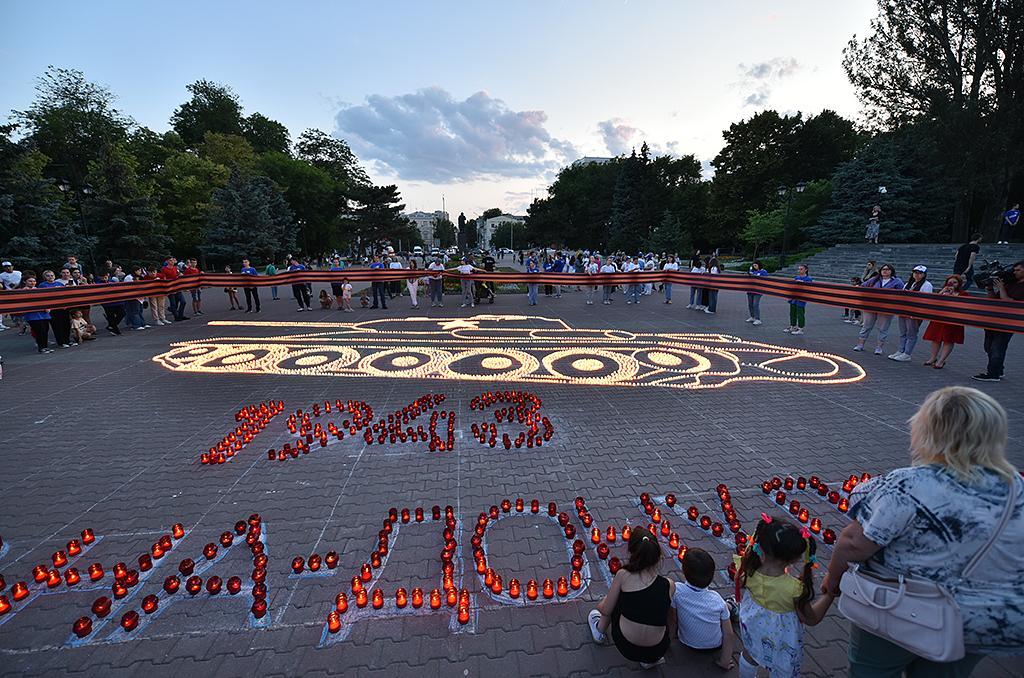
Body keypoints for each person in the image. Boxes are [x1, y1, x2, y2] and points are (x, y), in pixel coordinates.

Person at [823, 386, 1024, 677]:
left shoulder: (907, 486)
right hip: (979, 621)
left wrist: (834, 578)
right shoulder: (1017, 490)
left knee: (873, 670)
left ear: (928, 431)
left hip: (898, 610)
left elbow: (854, 544)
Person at [735, 515, 835, 678]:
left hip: (753, 627)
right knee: (782, 668)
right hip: (781, 640)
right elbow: (811, 618)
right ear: (795, 559)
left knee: (750, 655)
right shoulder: (794, 589)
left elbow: (738, 584)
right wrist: (830, 595)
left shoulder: (748, 571)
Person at [587, 529, 672, 669]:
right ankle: (649, 662)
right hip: (657, 651)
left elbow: (606, 610)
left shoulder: (623, 575)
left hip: (627, 647)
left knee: (616, 599)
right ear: (658, 557)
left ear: (631, 552)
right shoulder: (669, 584)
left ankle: (599, 631)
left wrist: (602, 603)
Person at [669, 548, 736, 670]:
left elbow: (673, 619)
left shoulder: (677, 591)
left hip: (686, 642)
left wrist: (670, 639)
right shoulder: (716, 599)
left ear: (684, 571)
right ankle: (732, 606)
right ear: (711, 577)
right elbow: (729, 633)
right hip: (715, 646)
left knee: (721, 608)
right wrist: (725, 661)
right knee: (725, 607)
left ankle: (730, 606)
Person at [973, 260, 1024, 382]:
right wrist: (990, 288)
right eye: (1014, 270)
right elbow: (993, 299)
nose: (1015, 272)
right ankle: (998, 370)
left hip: (1008, 321)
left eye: (1018, 270)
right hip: (993, 320)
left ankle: (993, 374)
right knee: (989, 347)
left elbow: (1009, 302)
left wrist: (1001, 288)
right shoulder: (1010, 283)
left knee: (997, 347)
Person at [919, 274, 968, 370]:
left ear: (959, 284)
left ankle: (941, 361)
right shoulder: (943, 292)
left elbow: (964, 306)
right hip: (939, 318)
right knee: (935, 338)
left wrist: (954, 295)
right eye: (950, 282)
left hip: (953, 320)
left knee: (948, 339)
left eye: (955, 282)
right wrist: (942, 292)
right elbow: (934, 302)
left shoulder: (963, 294)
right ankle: (933, 358)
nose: (952, 284)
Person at [854, 264, 904, 354]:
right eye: (883, 269)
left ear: (891, 271)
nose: (885, 271)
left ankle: (879, 348)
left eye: (888, 269)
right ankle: (860, 345)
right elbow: (863, 286)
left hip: (886, 309)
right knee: (866, 326)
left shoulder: (897, 281)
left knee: (883, 328)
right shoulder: (875, 279)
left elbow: (901, 294)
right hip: (871, 306)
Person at [890, 265, 935, 361]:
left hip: (915, 313)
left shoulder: (927, 285)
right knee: (903, 332)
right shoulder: (909, 284)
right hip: (904, 311)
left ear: (924, 275)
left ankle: (907, 353)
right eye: (915, 272)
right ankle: (901, 350)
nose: (917, 275)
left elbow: (926, 300)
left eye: (919, 273)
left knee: (911, 333)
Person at [37, 269, 73, 348]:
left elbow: (65, 294)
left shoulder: (59, 283)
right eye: (48, 276)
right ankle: (61, 342)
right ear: (45, 277)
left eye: (52, 275)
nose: (50, 277)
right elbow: (42, 297)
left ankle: (67, 340)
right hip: (53, 309)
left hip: (63, 307)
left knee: (66, 324)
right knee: (57, 326)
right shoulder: (42, 285)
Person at [21, 275, 54, 354]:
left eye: (34, 281)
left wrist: (47, 306)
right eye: (30, 281)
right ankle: (41, 347)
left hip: (43, 313)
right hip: (32, 315)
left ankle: (45, 347)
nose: (32, 283)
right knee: (40, 331)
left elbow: (44, 299)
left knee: (45, 330)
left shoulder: (38, 289)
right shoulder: (22, 291)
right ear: (24, 282)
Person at [783, 264, 813, 335]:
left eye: (801, 269)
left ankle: (800, 328)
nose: (799, 270)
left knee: (800, 313)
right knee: (792, 312)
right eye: (799, 269)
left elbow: (809, 288)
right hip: (794, 297)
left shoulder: (808, 278)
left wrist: (803, 284)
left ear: (806, 270)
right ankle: (792, 326)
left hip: (802, 298)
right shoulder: (797, 277)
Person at [160, 257, 188, 322]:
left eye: (173, 260)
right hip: (170, 288)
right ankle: (176, 316)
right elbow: (164, 278)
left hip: (177, 287)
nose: (172, 261)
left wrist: (180, 275)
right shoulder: (164, 269)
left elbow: (178, 275)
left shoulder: (175, 268)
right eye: (170, 260)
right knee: (173, 303)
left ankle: (180, 315)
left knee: (183, 302)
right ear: (167, 261)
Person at [122, 265, 148, 330]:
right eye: (139, 270)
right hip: (133, 297)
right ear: (135, 271)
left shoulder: (139, 277)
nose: (140, 272)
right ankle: (136, 325)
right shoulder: (129, 277)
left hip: (140, 297)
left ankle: (142, 323)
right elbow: (129, 287)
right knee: (135, 311)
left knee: (140, 311)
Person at [1, 260, 23, 331]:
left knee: (21, 306)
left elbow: (22, 280)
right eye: (5, 267)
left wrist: (18, 286)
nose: (7, 268)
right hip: (9, 293)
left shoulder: (18, 272)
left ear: (12, 266)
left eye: (9, 266)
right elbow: (1, 284)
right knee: (12, 307)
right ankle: (15, 321)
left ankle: (23, 321)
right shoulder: (1, 275)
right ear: (3, 268)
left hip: (20, 291)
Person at [744, 260, 768, 325]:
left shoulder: (763, 271)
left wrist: (754, 275)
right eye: (753, 265)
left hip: (758, 291)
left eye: (755, 265)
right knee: (750, 304)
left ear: (759, 265)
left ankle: (758, 319)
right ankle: (752, 316)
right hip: (750, 290)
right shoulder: (752, 271)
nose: (754, 267)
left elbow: (765, 279)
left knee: (755, 304)